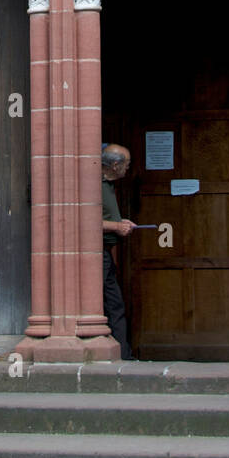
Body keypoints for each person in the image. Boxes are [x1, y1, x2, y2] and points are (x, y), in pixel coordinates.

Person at [101, 143, 135, 360]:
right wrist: (116, 227)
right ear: (115, 165)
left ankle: (123, 354)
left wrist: (118, 222)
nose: (128, 168)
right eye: (127, 164)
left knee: (114, 303)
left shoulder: (108, 184)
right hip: (95, 254)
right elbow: (81, 219)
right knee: (109, 303)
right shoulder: (94, 184)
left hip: (104, 253)